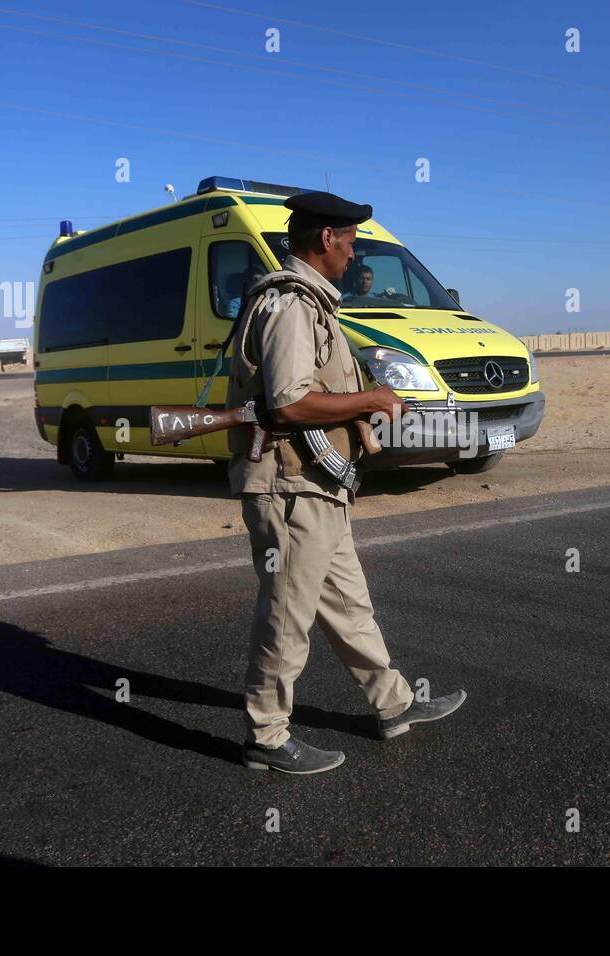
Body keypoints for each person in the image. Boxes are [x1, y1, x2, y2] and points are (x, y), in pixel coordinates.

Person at [226, 191, 467, 774]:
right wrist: (372, 398)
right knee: (288, 614)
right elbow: (288, 404)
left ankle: (395, 705)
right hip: (289, 489)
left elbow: (317, 393)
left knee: (351, 607)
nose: (355, 250)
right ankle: (266, 735)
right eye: (351, 239)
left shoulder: (317, 307)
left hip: (319, 488)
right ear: (326, 239)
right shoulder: (288, 306)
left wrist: (363, 413)